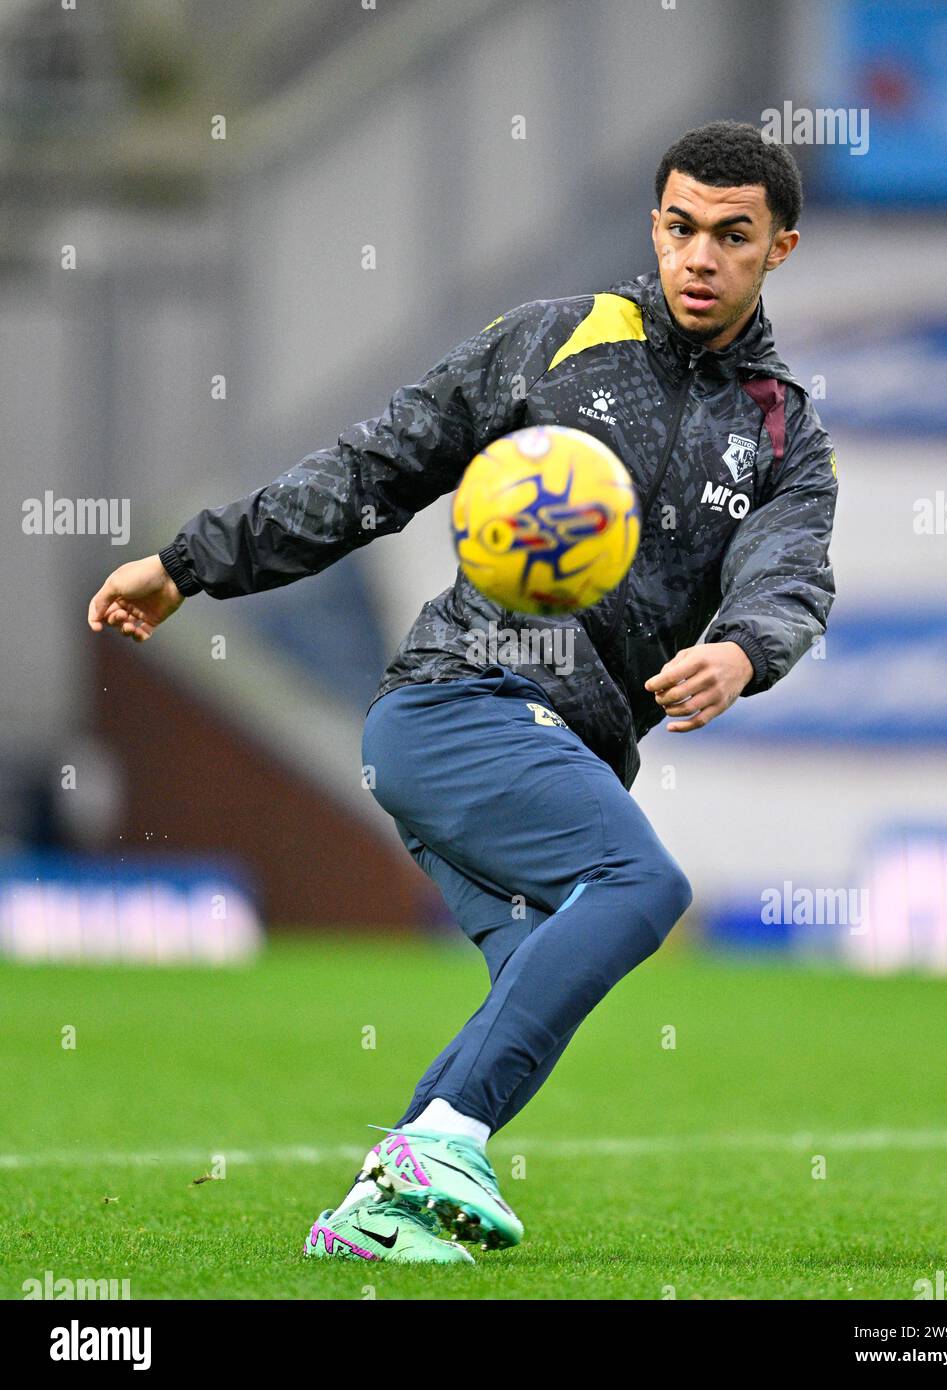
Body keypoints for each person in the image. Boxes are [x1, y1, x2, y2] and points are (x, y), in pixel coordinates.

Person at [87, 121, 837, 1266]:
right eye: (679, 227)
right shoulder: (552, 340)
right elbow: (374, 467)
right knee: (639, 882)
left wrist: (742, 648)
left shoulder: (784, 431)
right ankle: (443, 1136)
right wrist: (190, 564)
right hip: (453, 700)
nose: (698, 256)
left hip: (562, 748)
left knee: (543, 970)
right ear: (653, 224)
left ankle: (378, 1211)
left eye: (730, 237)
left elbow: (789, 571)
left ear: (777, 247)